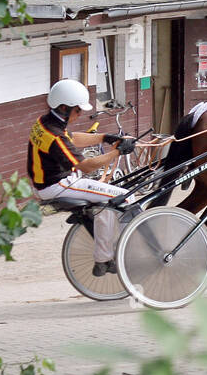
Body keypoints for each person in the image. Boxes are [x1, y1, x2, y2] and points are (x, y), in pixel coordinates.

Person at [28, 79, 137, 276]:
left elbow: (74, 138)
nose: (80, 115)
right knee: (127, 196)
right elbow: (86, 166)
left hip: (48, 183)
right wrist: (118, 152)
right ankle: (126, 250)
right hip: (58, 184)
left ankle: (104, 258)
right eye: (78, 110)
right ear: (63, 107)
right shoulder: (55, 136)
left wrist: (105, 137)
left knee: (106, 201)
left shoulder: (45, 122)